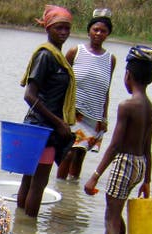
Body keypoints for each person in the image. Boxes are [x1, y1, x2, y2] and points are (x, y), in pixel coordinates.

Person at [84, 45, 152, 234]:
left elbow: (115, 146)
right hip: (140, 164)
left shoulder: (127, 106)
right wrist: (147, 180)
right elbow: (148, 147)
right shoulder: (149, 107)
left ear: (128, 75)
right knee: (118, 207)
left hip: (124, 162)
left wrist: (95, 176)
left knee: (111, 217)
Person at [16, 4, 76, 218]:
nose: (63, 33)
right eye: (58, 28)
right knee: (37, 183)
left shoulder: (58, 56)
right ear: (48, 28)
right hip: (41, 129)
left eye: (66, 28)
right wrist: (58, 123)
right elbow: (29, 95)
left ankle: (22, 225)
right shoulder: (46, 56)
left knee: (31, 180)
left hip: (43, 128)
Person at [56, 8, 116, 181]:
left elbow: (106, 90)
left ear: (108, 34)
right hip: (73, 113)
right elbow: (61, 81)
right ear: (89, 31)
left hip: (93, 116)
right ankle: (62, 189)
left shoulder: (110, 59)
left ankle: (72, 186)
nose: (98, 33)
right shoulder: (75, 52)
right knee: (68, 152)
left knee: (80, 154)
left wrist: (104, 118)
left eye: (103, 31)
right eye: (95, 30)